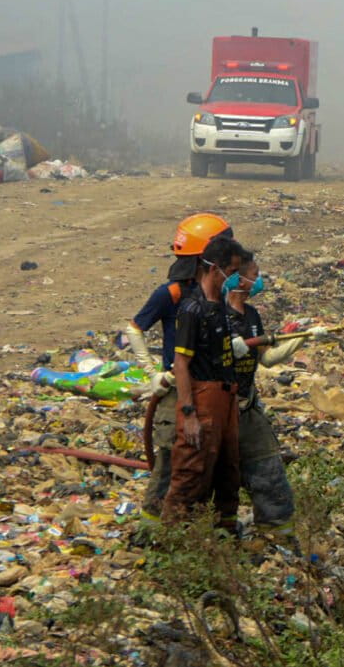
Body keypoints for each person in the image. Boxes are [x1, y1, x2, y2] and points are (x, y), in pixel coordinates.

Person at [122, 212, 233, 523]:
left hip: (212, 388)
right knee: (171, 459)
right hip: (175, 390)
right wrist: (152, 374)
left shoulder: (221, 291)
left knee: (210, 456)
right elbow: (134, 329)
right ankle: (151, 531)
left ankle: (196, 525)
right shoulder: (171, 293)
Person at [224, 252, 322, 538]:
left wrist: (305, 336)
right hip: (217, 409)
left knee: (269, 470)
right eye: (253, 274)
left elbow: (266, 359)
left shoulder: (252, 315)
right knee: (215, 477)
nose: (258, 279)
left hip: (247, 407)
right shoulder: (216, 314)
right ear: (236, 278)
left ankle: (277, 538)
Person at [162, 234, 247, 532]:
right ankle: (175, 540)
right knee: (191, 471)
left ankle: (224, 538)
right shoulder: (192, 309)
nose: (236, 278)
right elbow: (181, 363)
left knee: (228, 472)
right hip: (204, 399)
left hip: (226, 399)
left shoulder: (220, 307)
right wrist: (189, 414)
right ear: (215, 269)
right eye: (232, 271)